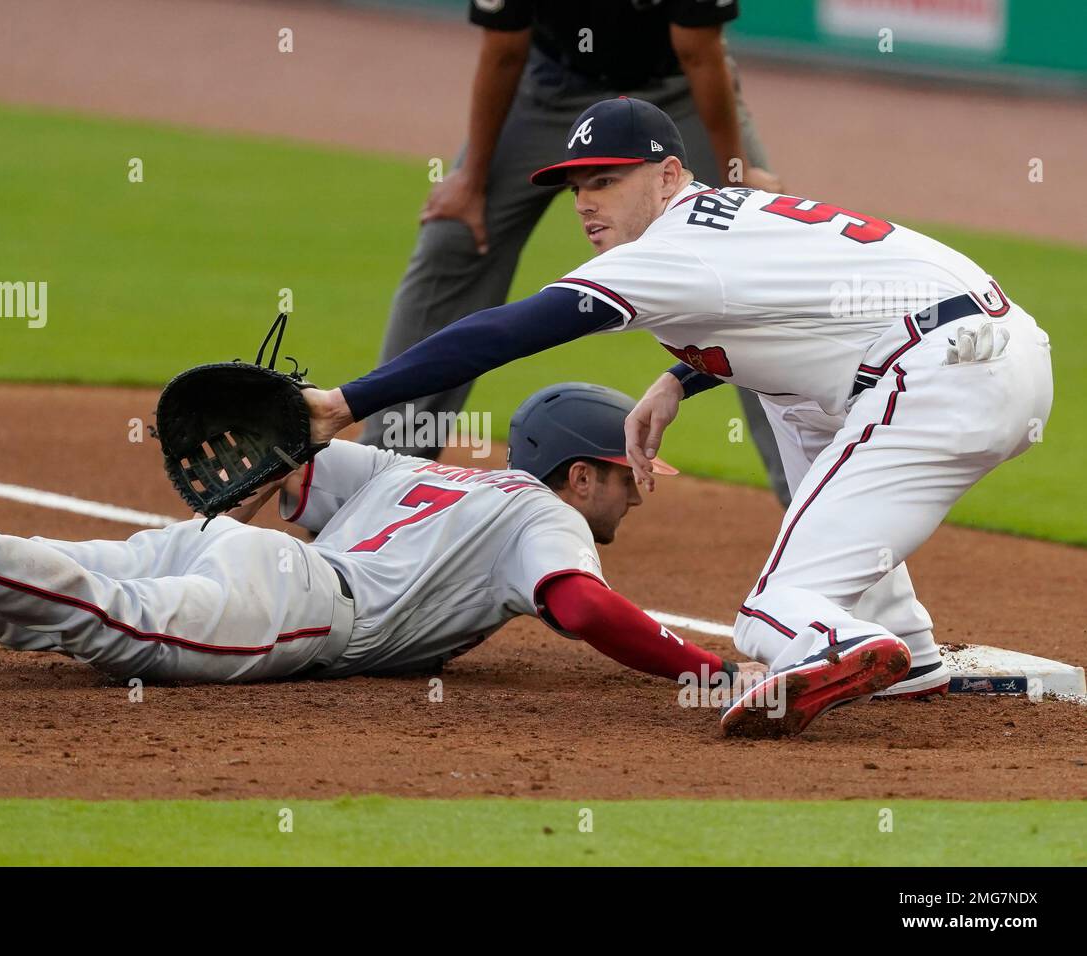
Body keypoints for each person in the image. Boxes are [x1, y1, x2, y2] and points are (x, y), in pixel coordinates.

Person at [299, 97, 1055, 736]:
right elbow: (790, 310)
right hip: (985, 356)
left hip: (937, 377)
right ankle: (909, 655)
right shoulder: (728, 215)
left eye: (607, 179)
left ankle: (831, 640)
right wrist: (678, 378)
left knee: (769, 618)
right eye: (576, 186)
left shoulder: (663, 252)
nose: (587, 200)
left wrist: (345, 402)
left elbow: (503, 331)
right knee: (793, 404)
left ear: (666, 175)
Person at [0, 388, 768, 693]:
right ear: (580, 472)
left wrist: (293, 433)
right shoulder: (546, 516)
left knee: (68, 574)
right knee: (95, 613)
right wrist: (701, 668)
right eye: (630, 476)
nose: (640, 495)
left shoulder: (426, 471)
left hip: (231, 551)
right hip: (292, 604)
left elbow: (292, 476)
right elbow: (582, 605)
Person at [361, 0, 791, 504]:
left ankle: (810, 498)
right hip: (551, 93)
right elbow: (503, 50)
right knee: (454, 239)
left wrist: (737, 173)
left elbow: (700, 53)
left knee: (747, 263)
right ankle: (382, 475)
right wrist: (470, 178)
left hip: (677, 92)